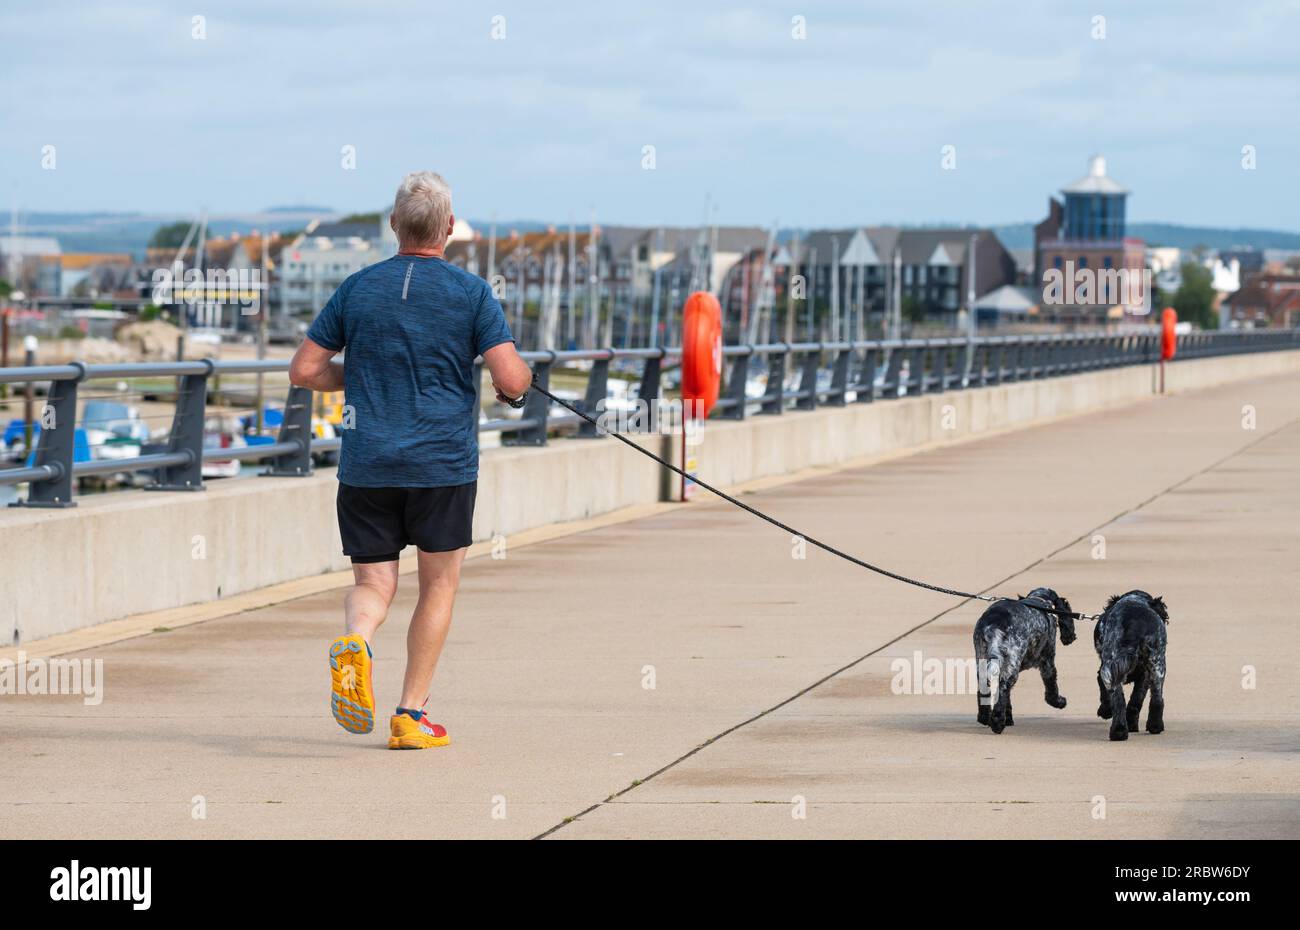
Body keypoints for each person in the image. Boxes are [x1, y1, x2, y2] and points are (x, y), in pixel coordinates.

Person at [289, 171, 531, 749]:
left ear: (394, 224)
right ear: (448, 227)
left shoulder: (356, 288)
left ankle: (357, 639)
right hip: (441, 465)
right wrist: (515, 385)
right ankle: (409, 715)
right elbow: (511, 378)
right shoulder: (472, 293)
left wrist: (359, 376)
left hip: (367, 463)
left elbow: (303, 371)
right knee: (438, 586)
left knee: (374, 582)